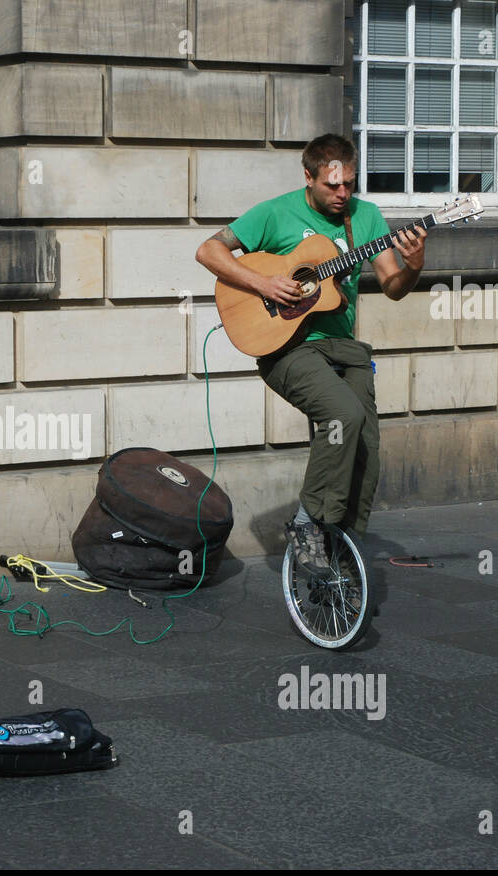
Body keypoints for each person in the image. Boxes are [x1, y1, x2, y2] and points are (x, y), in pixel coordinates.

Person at [195, 134, 427, 573]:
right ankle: (307, 523)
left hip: (346, 347)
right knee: (343, 416)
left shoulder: (369, 217)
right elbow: (208, 250)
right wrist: (264, 284)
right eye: (332, 186)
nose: (343, 195)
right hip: (289, 347)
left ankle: (342, 548)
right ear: (308, 177)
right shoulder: (276, 211)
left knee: (367, 450)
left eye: (350, 185)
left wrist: (414, 265)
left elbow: (395, 289)